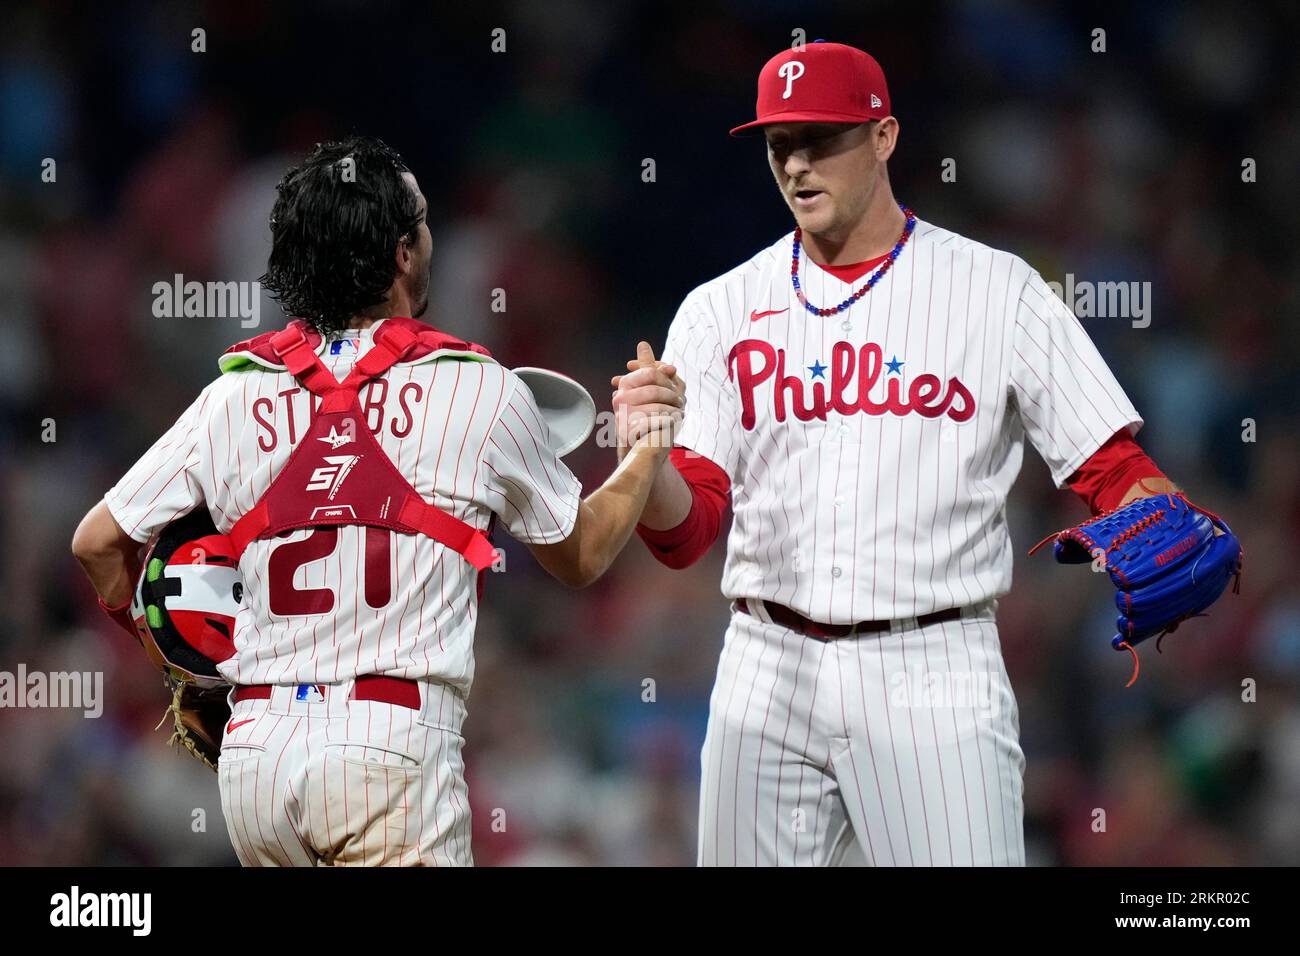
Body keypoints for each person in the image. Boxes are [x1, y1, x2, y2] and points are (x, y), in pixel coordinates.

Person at [611, 41, 1231, 866]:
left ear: (884, 136)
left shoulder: (997, 290)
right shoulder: (720, 308)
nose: (797, 164)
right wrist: (647, 466)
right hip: (765, 663)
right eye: (778, 144)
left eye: (821, 138)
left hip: (931, 667)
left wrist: (1160, 512)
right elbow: (686, 532)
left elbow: (1110, 470)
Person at [71, 136, 683, 867]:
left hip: (256, 753)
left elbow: (96, 544)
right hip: (386, 745)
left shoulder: (228, 394)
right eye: (423, 226)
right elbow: (582, 555)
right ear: (401, 253)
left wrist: (182, 673)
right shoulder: (476, 386)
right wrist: (646, 450)